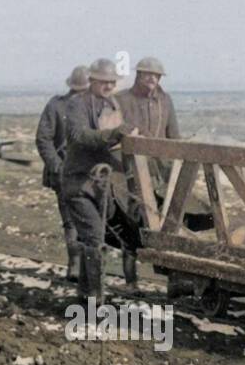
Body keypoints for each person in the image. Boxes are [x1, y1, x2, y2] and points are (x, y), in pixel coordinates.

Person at [62, 58, 136, 302]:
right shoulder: (76, 105)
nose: (107, 86)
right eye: (103, 82)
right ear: (92, 80)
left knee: (93, 239)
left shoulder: (112, 106)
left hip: (103, 185)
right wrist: (114, 134)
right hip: (79, 183)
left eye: (111, 83)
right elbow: (80, 136)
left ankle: (85, 295)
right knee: (94, 236)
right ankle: (95, 298)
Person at [113, 56, 180, 286]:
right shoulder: (121, 100)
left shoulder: (165, 101)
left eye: (156, 75)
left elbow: (174, 137)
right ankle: (131, 283)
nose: (152, 79)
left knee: (167, 228)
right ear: (138, 75)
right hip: (130, 175)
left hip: (159, 176)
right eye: (147, 74)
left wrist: (173, 167)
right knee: (132, 227)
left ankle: (172, 286)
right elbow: (110, 137)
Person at [36, 65, 89, 276]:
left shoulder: (91, 108)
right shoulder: (56, 105)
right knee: (69, 220)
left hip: (87, 173)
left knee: (87, 221)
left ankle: (86, 266)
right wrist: (57, 166)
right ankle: (74, 264)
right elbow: (43, 138)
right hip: (63, 172)